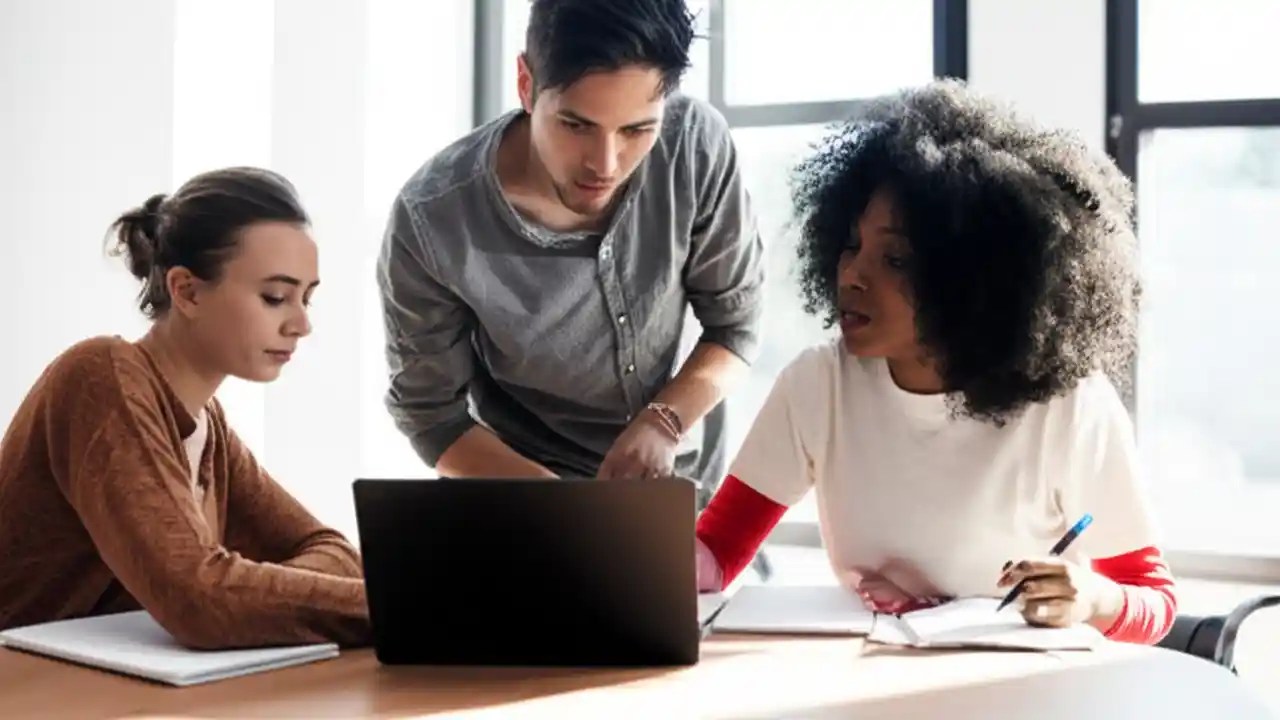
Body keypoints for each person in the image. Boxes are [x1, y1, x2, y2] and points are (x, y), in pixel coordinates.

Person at [694, 80, 1178, 644]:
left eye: (894, 258)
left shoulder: (1068, 407)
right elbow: (716, 555)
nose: (851, 274)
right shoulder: (818, 386)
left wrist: (1093, 597)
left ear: (969, 281)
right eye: (850, 245)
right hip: (871, 689)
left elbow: (1154, 600)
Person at [378, 0, 763, 491]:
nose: (605, 163)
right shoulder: (432, 220)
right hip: (523, 497)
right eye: (576, 126)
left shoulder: (695, 146)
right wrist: (564, 512)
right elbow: (432, 418)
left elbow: (735, 329)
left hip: (684, 487)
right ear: (525, 84)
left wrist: (663, 420)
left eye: (637, 129)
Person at [0, 167, 370, 649]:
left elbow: (332, 551)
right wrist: (411, 607)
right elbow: (201, 601)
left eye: (307, 298)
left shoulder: (206, 425)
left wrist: (241, 594)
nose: (301, 324)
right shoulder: (103, 376)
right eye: (275, 297)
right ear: (187, 291)